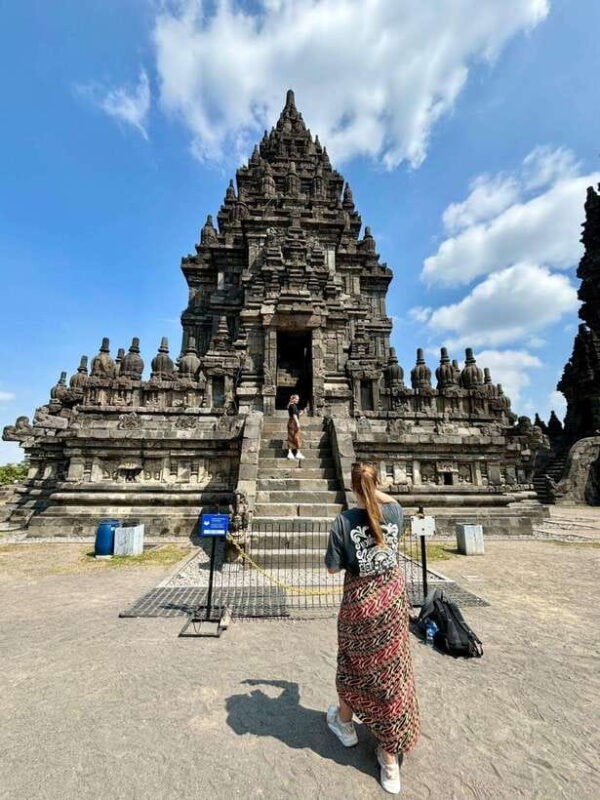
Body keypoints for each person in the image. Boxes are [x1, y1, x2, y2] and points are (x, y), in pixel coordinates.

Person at [324, 461, 420, 794]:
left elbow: (333, 569)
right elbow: (388, 509)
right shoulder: (396, 512)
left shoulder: (343, 521)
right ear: (378, 482)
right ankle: (389, 758)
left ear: (352, 488)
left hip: (359, 605)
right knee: (391, 673)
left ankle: (346, 726)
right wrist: (373, 489)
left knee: (351, 664)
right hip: (391, 602)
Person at [286, 393, 305, 460]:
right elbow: (294, 415)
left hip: (291, 422)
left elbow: (296, 414)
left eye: (298, 399)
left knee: (292, 437)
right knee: (296, 437)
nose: (298, 400)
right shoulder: (292, 406)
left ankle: (291, 452)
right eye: (296, 399)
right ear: (293, 399)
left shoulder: (292, 406)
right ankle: (296, 452)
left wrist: (301, 413)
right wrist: (297, 423)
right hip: (293, 423)